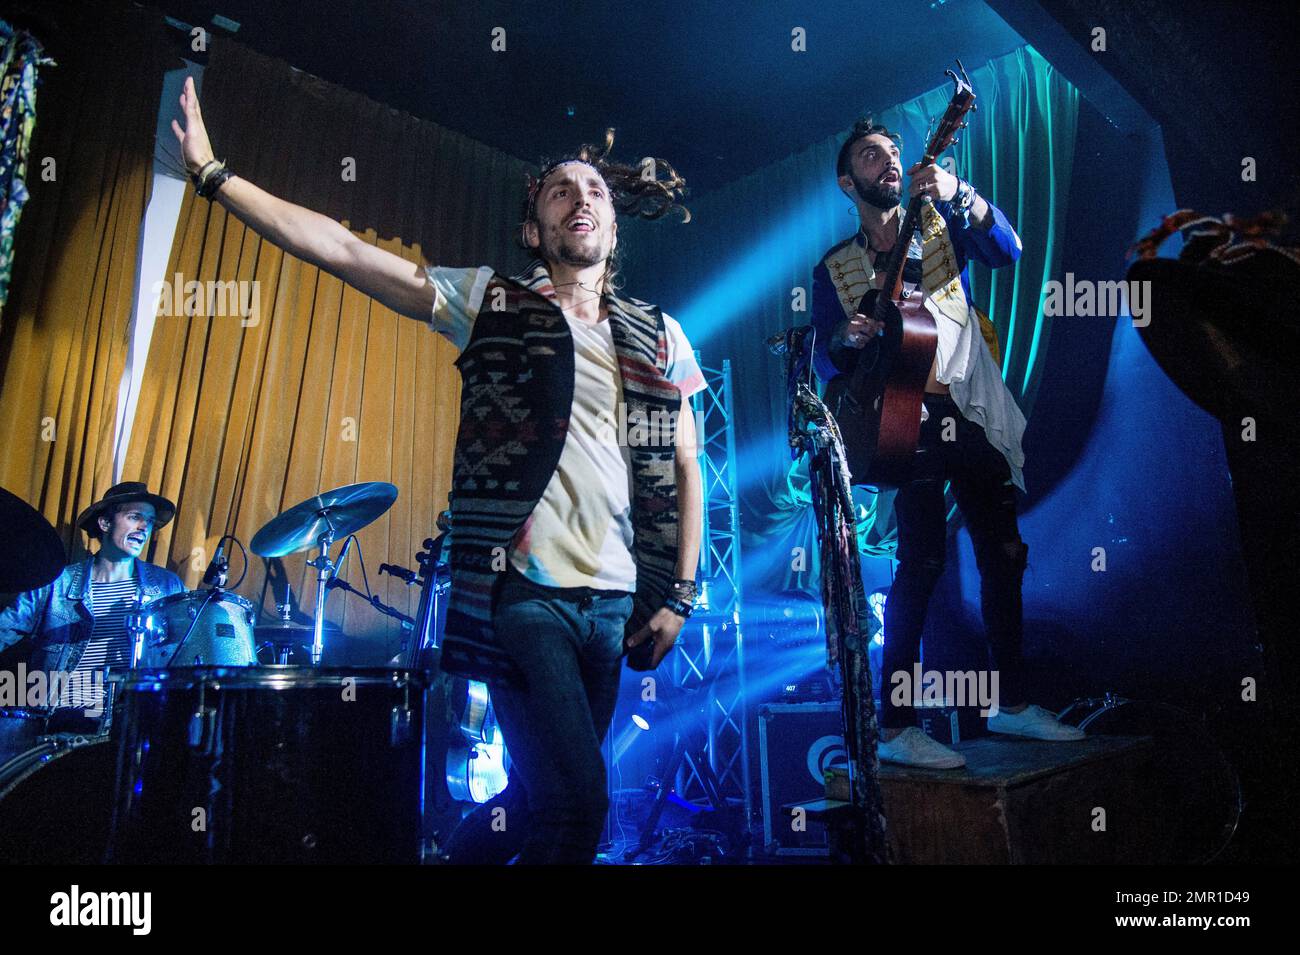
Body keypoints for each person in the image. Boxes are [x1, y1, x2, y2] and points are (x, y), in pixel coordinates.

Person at [169, 77, 705, 863]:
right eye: (559, 190)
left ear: (614, 225)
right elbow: (345, 249)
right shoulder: (490, 301)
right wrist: (217, 176)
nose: (579, 197)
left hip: (615, 602)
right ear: (535, 225)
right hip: (522, 594)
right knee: (580, 805)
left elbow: (688, 464)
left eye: (593, 189)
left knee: (531, 806)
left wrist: (682, 595)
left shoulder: (659, 334)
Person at [810, 118, 1083, 769]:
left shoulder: (936, 223)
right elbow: (823, 362)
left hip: (970, 406)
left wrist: (963, 192)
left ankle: (1013, 704)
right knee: (922, 562)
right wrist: (844, 341)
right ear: (849, 182)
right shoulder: (837, 268)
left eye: (894, 151)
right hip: (905, 415)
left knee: (1005, 551)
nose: (889, 162)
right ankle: (896, 724)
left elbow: (1008, 250)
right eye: (872, 156)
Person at [0, 482, 185, 731]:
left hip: (129, 722)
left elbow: (183, 658)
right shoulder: (55, 583)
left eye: (149, 521)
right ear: (105, 523)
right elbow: (4, 630)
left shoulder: (167, 586)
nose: (144, 527)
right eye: (134, 517)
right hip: (55, 723)